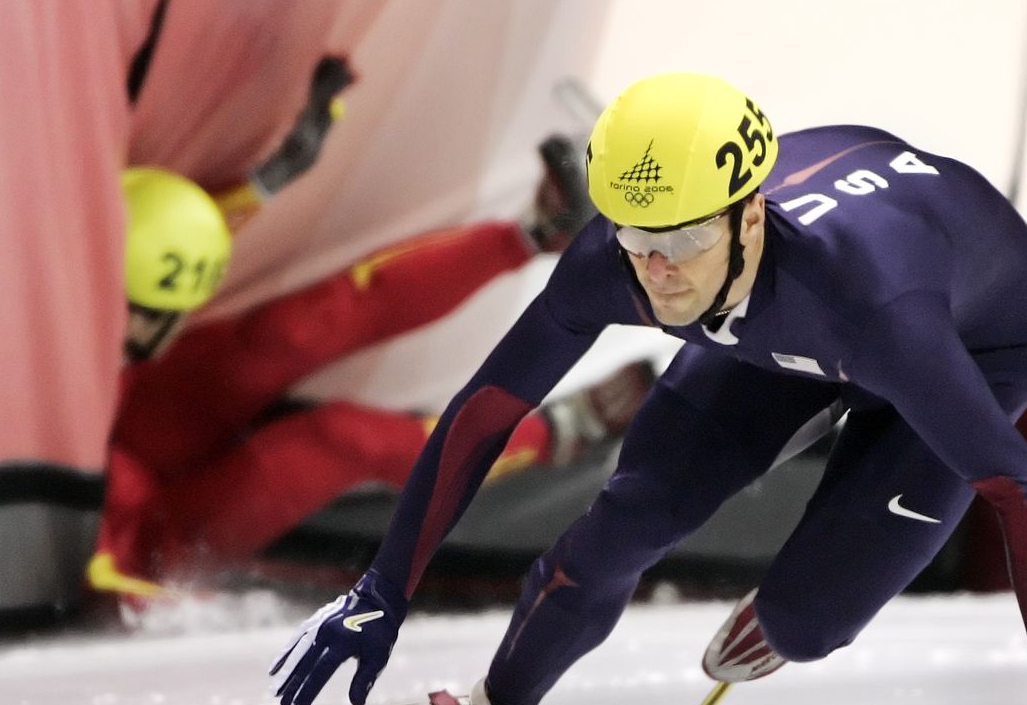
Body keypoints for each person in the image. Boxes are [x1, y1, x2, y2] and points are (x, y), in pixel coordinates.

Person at [270, 72, 1027, 705]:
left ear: (749, 215)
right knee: (623, 522)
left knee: (812, 621)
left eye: (685, 240)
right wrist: (383, 585)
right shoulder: (626, 256)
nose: (658, 275)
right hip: (784, 316)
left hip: (964, 342)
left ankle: (793, 609)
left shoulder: (872, 303)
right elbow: (483, 412)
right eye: (637, 240)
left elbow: (1021, 489)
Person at [89, 69, 652, 604]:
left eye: (148, 312)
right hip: (116, 525)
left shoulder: (76, 306)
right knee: (340, 438)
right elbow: (101, 575)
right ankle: (553, 434)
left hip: (122, 426)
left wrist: (256, 189)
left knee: (288, 336)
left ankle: (536, 235)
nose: (140, 327)